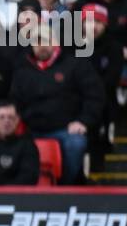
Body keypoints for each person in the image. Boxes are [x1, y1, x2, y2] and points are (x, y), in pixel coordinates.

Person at [10, 22, 103, 184]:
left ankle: (65, 187)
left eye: (46, 41)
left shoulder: (76, 65)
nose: (41, 46)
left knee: (76, 143)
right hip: (30, 130)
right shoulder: (22, 70)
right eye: (37, 42)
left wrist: (83, 121)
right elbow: (14, 101)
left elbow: (95, 96)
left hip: (64, 129)